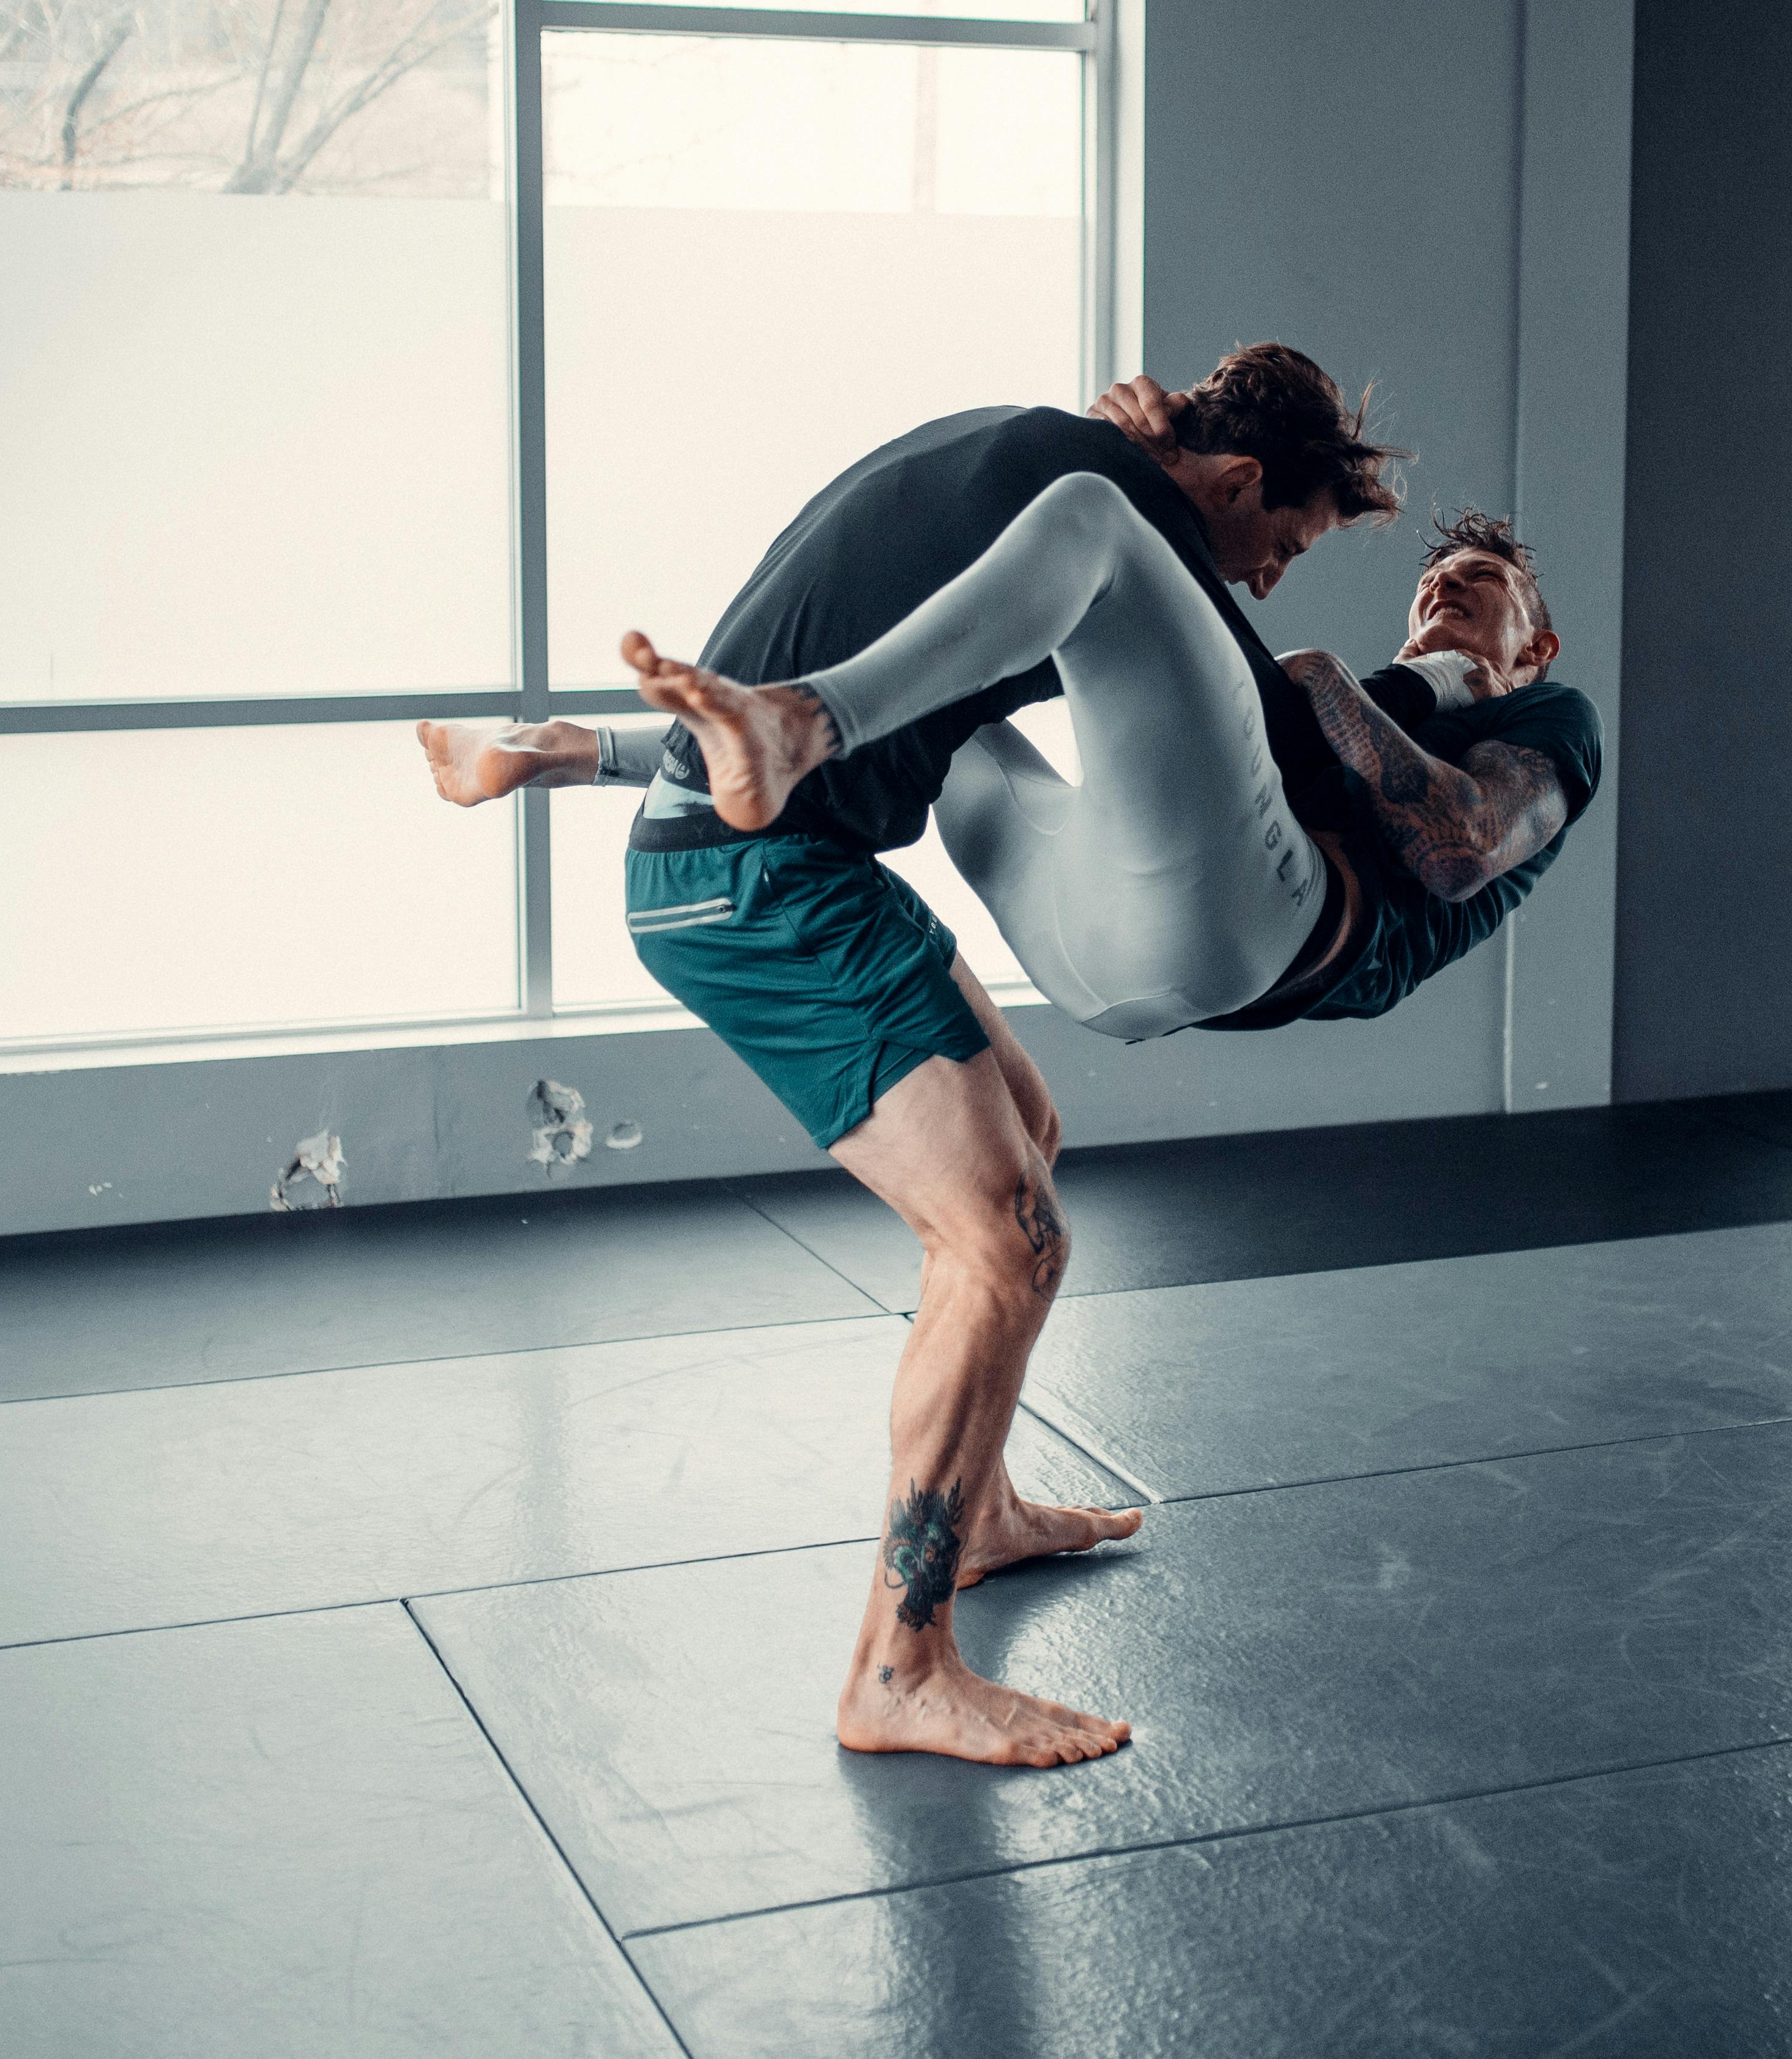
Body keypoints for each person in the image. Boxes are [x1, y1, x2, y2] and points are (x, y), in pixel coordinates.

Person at [424, 345, 1401, 1769]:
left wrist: (583, 755)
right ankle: (899, 1669)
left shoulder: (1026, 453)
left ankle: (982, 1511)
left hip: (783, 851)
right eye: (1283, 543)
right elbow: (1266, 736)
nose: (1262, 578)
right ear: (1240, 480)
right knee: (1009, 1244)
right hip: (758, 888)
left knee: (1028, 1128)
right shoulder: (1112, 510)